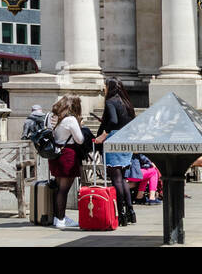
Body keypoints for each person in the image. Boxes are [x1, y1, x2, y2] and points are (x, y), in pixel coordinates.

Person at [92, 77, 136, 226]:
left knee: (116, 179)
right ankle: (130, 212)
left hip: (115, 139)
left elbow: (114, 121)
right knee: (123, 178)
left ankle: (121, 213)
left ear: (109, 87)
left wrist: (104, 134)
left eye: (104, 86)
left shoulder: (111, 101)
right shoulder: (126, 102)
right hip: (127, 138)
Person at [47, 95, 83, 230]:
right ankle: (61, 219)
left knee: (58, 188)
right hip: (68, 155)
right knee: (64, 189)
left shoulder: (54, 119)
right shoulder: (71, 120)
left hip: (56, 154)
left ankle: (58, 217)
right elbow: (79, 139)